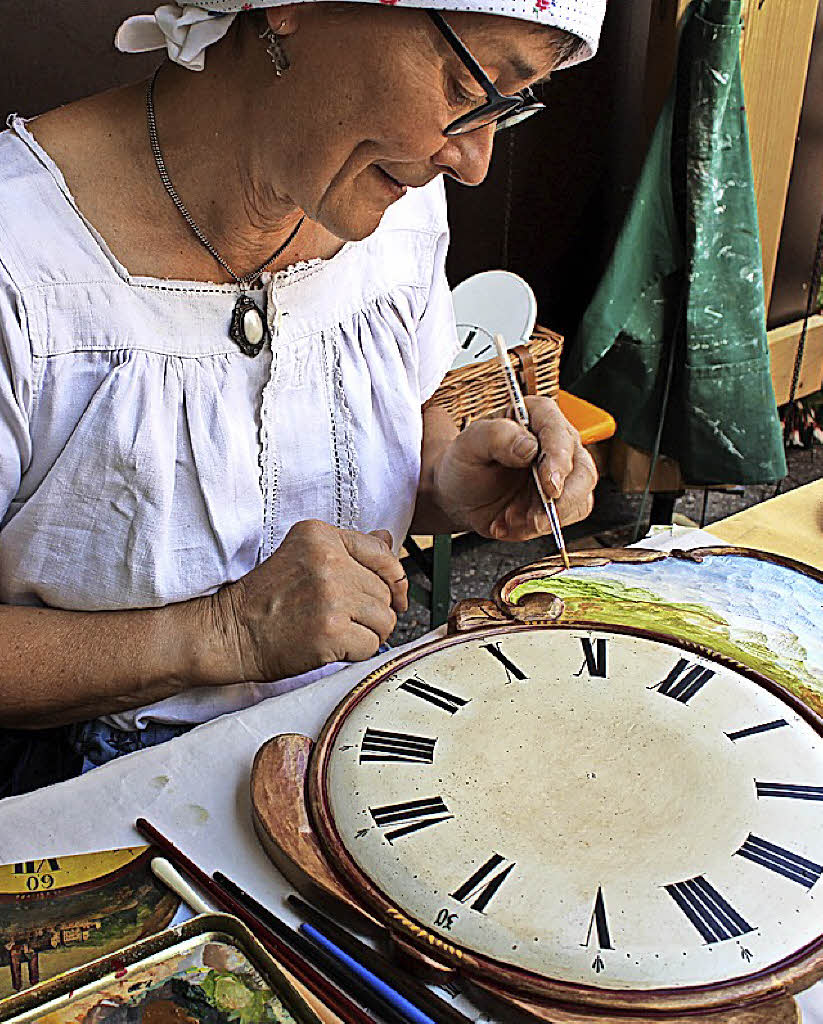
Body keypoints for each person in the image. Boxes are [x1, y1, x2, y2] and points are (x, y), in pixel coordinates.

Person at [0, 0, 605, 795]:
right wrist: (222, 635)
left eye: (509, 105)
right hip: (77, 796)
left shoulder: (395, 199)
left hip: (350, 733)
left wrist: (448, 479)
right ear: (291, 8)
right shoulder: (23, 263)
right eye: (472, 85)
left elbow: (403, 417)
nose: (473, 161)